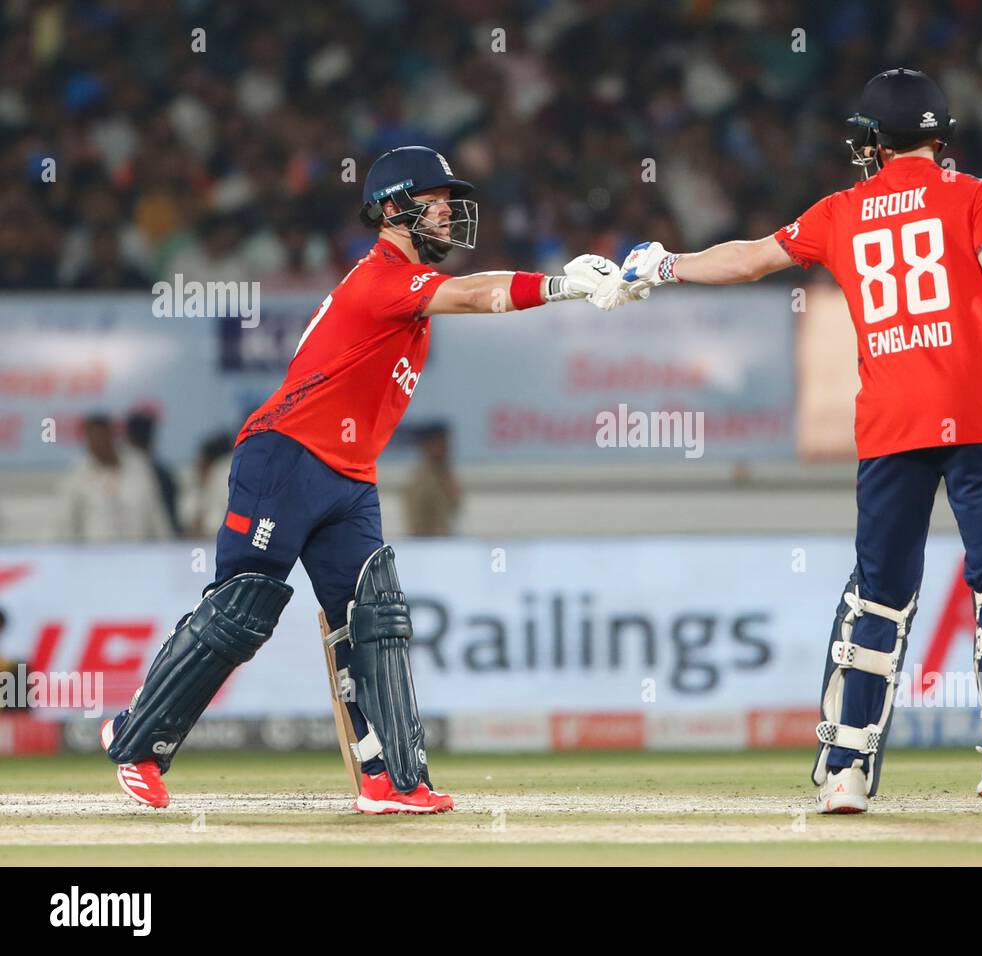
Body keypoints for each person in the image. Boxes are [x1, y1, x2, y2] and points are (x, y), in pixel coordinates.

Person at [619, 69, 982, 813]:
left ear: (876, 143)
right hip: (980, 416)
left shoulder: (842, 211)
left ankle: (847, 770)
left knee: (879, 598)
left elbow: (752, 258)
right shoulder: (973, 194)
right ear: (939, 136)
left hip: (890, 426)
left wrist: (665, 266)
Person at [101, 146, 632, 813]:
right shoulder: (380, 278)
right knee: (243, 610)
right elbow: (473, 293)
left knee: (375, 620)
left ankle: (392, 779)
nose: (448, 214)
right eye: (435, 202)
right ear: (393, 208)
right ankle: (137, 741)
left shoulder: (406, 293)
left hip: (349, 477)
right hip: (285, 457)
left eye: (448, 202)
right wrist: (559, 285)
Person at [58, 414, 172, 543]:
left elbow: (157, 516)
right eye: (94, 439)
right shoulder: (76, 478)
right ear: (87, 441)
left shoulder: (139, 469)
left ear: (112, 436)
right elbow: (67, 525)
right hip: (95, 556)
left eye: (103, 437)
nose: (99, 444)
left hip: (139, 553)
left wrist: (167, 549)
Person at [403, 423, 461, 537]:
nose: (445, 449)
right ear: (427, 447)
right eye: (440, 444)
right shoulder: (420, 480)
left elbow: (455, 506)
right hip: (427, 544)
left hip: (443, 541)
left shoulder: (445, 475)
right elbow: (417, 521)